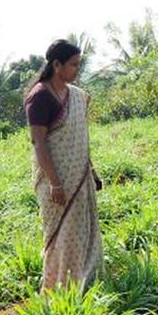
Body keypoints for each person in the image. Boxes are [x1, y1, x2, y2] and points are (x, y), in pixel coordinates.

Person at [24, 39, 103, 291]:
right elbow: (39, 143)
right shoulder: (39, 98)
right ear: (57, 65)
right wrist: (55, 183)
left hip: (79, 176)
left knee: (83, 233)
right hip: (55, 180)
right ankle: (58, 289)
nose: (77, 70)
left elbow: (81, 139)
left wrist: (91, 170)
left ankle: (85, 284)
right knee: (60, 236)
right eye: (73, 65)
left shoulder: (76, 96)